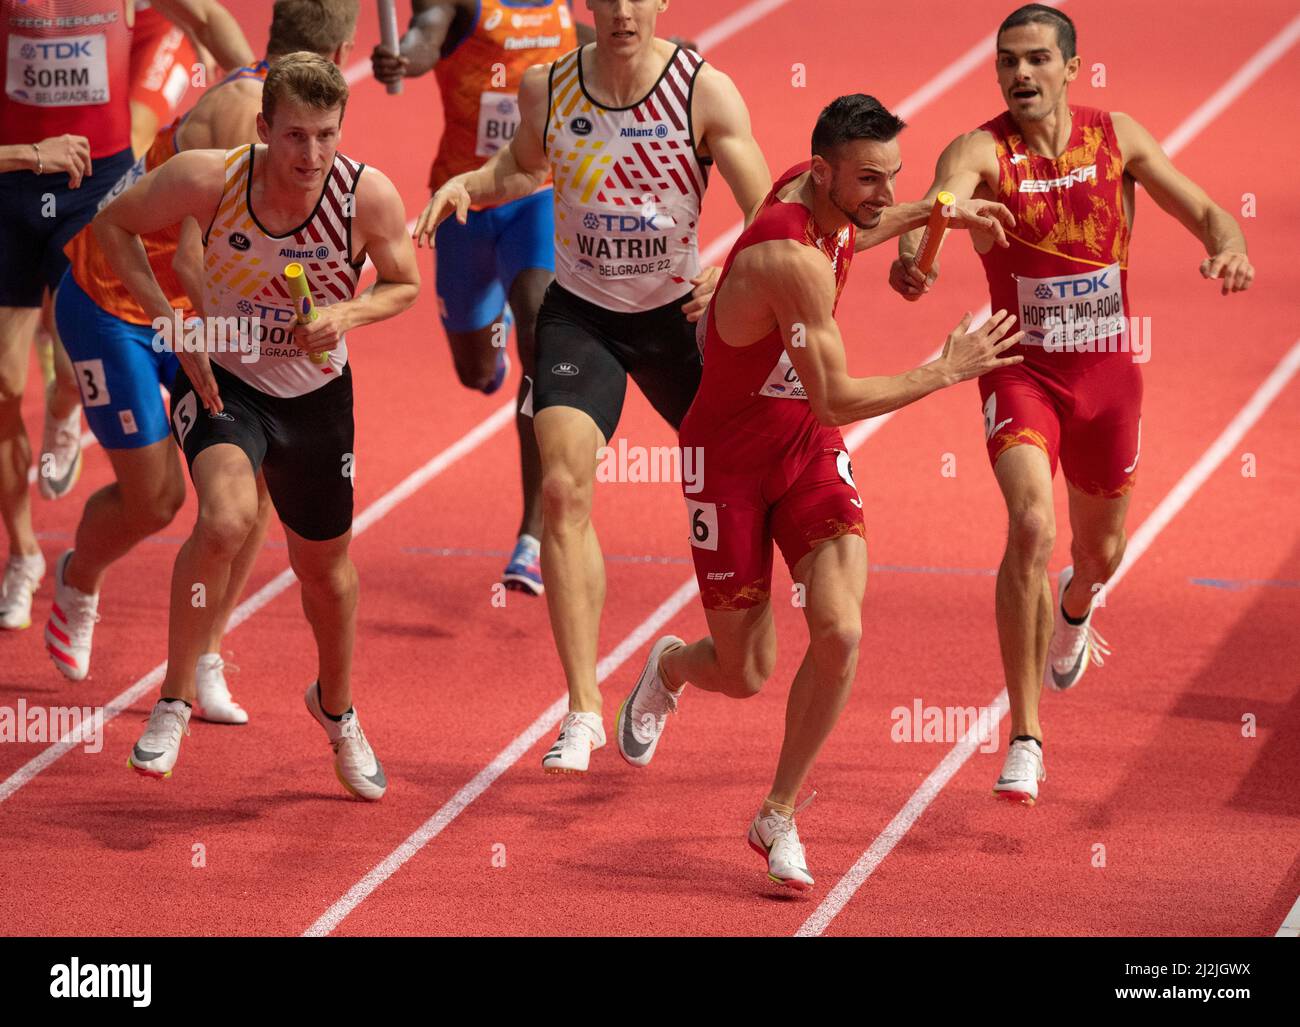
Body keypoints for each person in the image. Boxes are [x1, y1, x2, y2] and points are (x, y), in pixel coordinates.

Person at [614, 94, 1022, 889]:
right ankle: (669, 667)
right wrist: (947, 368)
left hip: (802, 447)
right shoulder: (788, 258)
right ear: (827, 171)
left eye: (892, 176)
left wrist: (934, 211)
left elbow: (860, 229)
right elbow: (837, 396)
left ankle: (778, 812)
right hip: (725, 463)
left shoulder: (818, 192)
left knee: (839, 632)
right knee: (745, 672)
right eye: (871, 179)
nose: (882, 190)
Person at [891, 4, 1254, 805]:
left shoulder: (1116, 135)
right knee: (1029, 521)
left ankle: (1078, 602)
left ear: (1070, 68)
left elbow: (1203, 209)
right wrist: (927, 249)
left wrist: (1227, 243)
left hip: (1108, 378)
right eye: (1006, 62)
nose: (1020, 74)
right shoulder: (980, 149)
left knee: (1102, 552)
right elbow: (943, 197)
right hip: (1020, 371)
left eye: (1035, 60)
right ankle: (1024, 734)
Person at [416, 0, 773, 774]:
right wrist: (468, 188)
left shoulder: (702, 91)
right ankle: (581, 707)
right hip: (581, 317)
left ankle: (683, 663)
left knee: (749, 478)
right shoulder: (551, 87)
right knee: (563, 492)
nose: (621, 11)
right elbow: (521, 167)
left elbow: (770, 211)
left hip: (677, 321)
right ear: (586, 6)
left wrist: (734, 267)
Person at [94, 52, 420, 798]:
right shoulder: (211, 178)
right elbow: (114, 226)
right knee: (225, 518)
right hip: (227, 380)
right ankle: (173, 698)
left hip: (317, 402)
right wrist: (171, 321)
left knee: (326, 578)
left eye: (327, 136)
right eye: (296, 136)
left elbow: (403, 283)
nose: (311, 155)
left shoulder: (365, 197)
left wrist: (346, 312)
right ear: (265, 127)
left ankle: (336, 709)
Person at [46, 1, 359, 728]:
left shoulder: (273, 94)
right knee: (156, 500)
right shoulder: (239, 116)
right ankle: (79, 575)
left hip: (197, 312)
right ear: (343, 49)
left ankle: (208, 653)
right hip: (115, 301)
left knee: (247, 483)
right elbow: (192, 256)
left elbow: (212, 19)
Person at [0, 0, 252, 630]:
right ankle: (23, 551)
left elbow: (203, 17)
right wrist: (29, 151)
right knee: (4, 386)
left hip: (95, 180)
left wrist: (254, 83)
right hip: (13, 181)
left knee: (77, 329)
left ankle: (65, 405)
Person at [373, 0, 585, 595]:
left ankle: (532, 538)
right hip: (463, 201)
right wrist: (402, 59)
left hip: (535, 195)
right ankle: (490, 348)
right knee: (475, 371)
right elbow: (424, 35)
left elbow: (580, 34)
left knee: (542, 331)